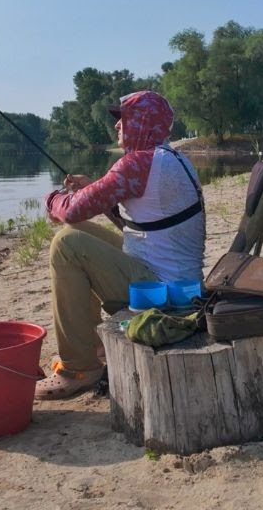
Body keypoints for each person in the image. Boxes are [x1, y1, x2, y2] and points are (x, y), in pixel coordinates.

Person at [36, 90, 206, 400]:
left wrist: (52, 200)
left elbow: (70, 209)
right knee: (77, 232)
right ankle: (90, 344)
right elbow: (138, 224)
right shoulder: (173, 158)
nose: (117, 127)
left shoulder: (138, 163)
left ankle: (80, 367)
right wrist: (93, 190)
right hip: (178, 283)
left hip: (163, 295)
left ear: (143, 123)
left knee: (67, 243)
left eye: (124, 120)